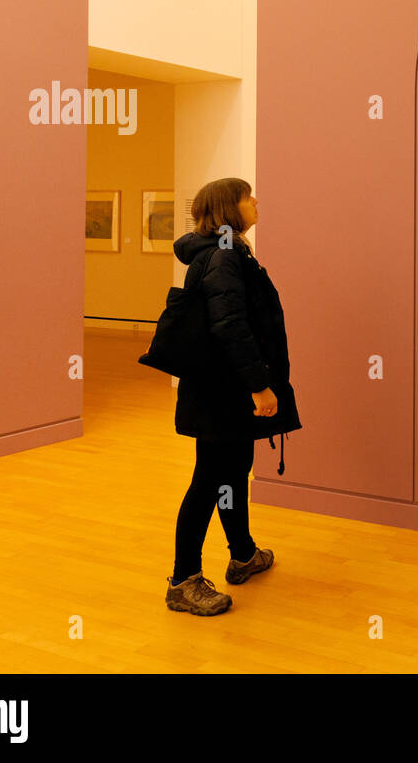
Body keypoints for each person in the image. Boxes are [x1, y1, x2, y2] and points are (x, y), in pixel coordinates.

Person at [164, 177, 302, 616]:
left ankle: (242, 554)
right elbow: (230, 327)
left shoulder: (230, 250)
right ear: (229, 207)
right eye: (247, 197)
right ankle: (183, 581)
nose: (256, 201)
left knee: (232, 471)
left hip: (225, 389)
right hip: (223, 392)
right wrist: (259, 386)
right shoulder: (223, 257)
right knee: (208, 480)